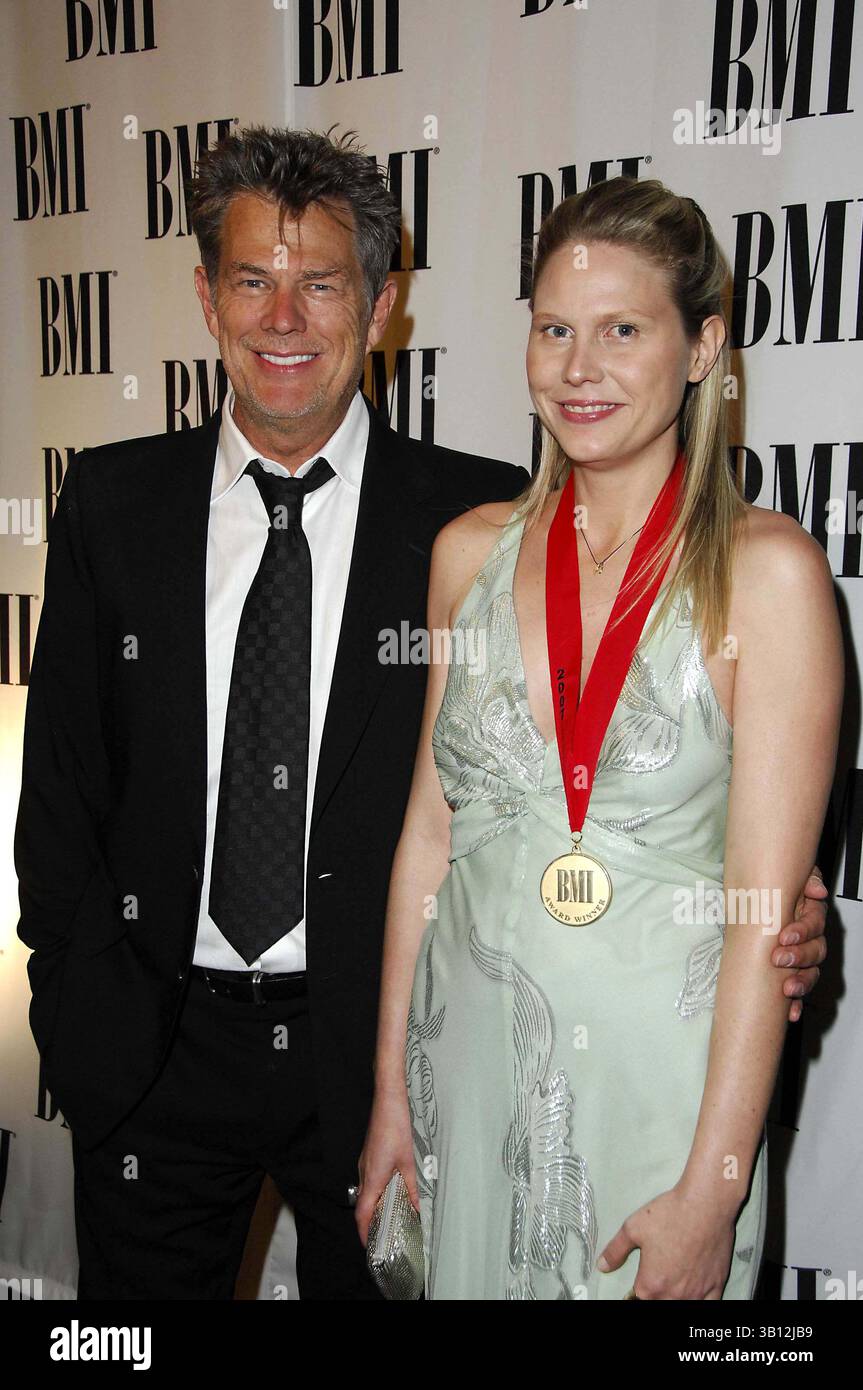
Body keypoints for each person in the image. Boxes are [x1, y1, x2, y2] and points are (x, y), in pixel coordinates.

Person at [13, 125, 528, 1300]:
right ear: (206, 296)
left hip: (384, 1060)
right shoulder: (112, 500)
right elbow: (62, 789)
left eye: (319, 282)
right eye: (251, 279)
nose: (282, 318)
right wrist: (81, 1009)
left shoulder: (481, 520)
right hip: (152, 1047)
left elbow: (551, 779)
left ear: (381, 302)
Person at [356, 176, 842, 1300]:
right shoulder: (464, 556)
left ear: (700, 346)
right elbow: (426, 840)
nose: (578, 369)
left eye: (623, 330)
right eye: (553, 329)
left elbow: (763, 917)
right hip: (463, 1085)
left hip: (656, 1114)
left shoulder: (768, 578)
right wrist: (391, 1090)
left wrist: (710, 1193)